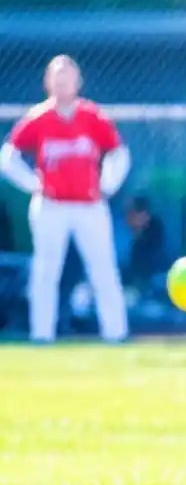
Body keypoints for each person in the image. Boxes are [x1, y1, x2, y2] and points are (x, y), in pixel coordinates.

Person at [0, 55, 130, 343]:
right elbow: (8, 157)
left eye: (67, 76)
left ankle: (116, 334)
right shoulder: (38, 118)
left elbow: (119, 153)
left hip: (90, 205)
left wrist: (107, 184)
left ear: (78, 81)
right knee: (46, 270)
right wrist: (32, 183)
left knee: (103, 269)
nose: (62, 82)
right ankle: (42, 335)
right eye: (56, 77)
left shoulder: (92, 116)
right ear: (47, 82)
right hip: (51, 205)